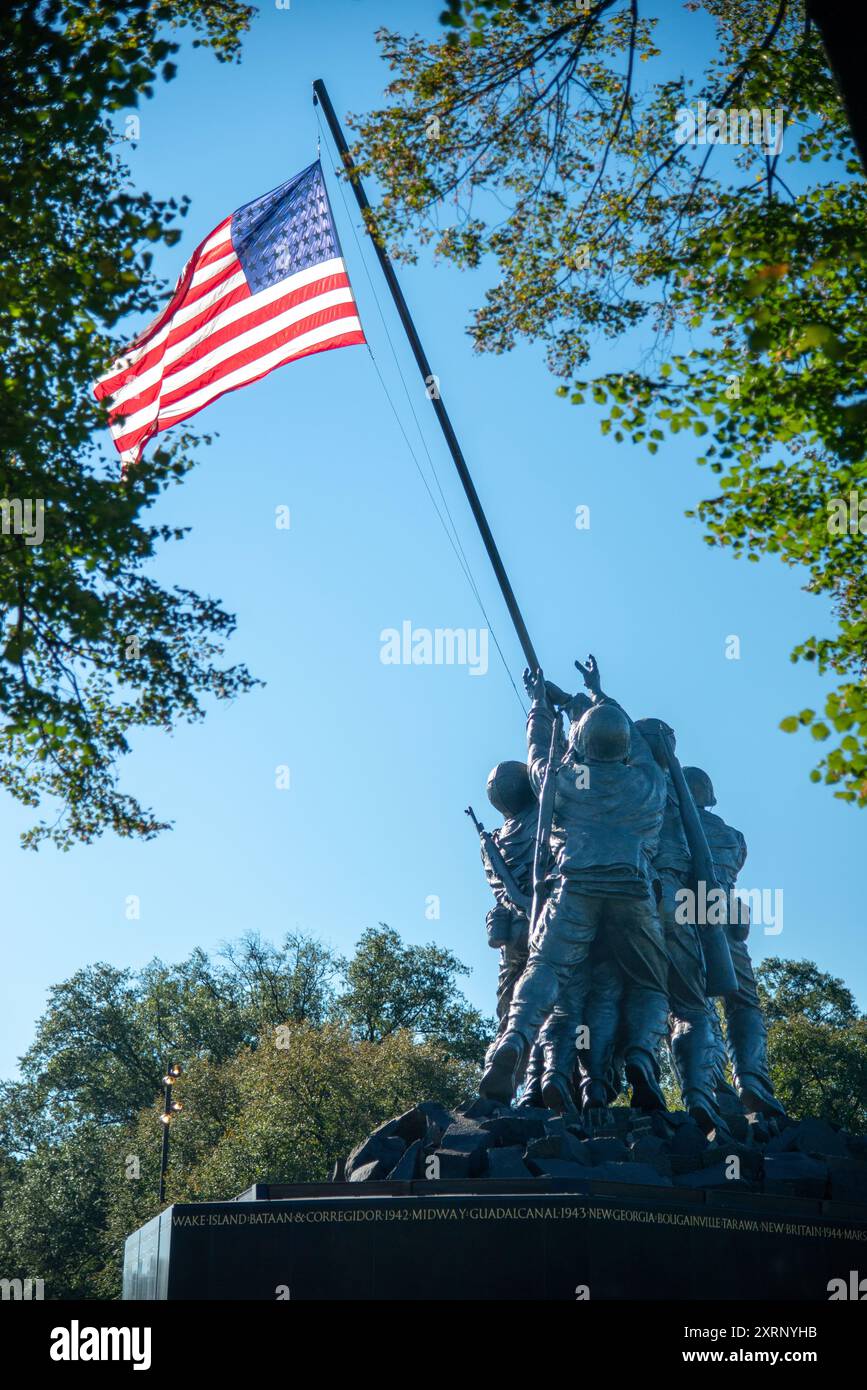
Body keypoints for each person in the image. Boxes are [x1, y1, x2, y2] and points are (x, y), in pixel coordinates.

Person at [480, 655, 670, 1114]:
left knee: (544, 969)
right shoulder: (649, 785)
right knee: (650, 983)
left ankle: (515, 1039)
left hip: (574, 887)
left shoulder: (562, 780)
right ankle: (641, 1057)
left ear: (580, 743)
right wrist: (596, 696)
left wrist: (540, 707)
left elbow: (537, 754)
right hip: (633, 891)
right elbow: (638, 743)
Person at [634, 720, 725, 1136]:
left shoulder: (622, 779)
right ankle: (698, 1096)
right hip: (675, 895)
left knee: (632, 993)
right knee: (690, 1006)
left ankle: (630, 1066)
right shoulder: (679, 793)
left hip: (625, 892)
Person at [682, 765, 784, 1119]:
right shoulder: (732, 837)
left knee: (691, 1004)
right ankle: (753, 1079)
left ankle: (710, 1083)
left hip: (682, 917)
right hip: (723, 915)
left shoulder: (666, 824)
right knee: (743, 1003)